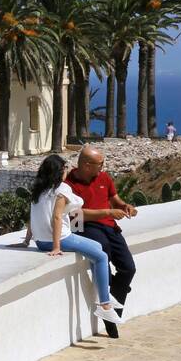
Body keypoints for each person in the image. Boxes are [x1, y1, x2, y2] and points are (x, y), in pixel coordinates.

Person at [21, 154, 123, 326]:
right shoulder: (61, 190)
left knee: (97, 246)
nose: (67, 171)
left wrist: (26, 241)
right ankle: (104, 305)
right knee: (102, 256)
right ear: (60, 171)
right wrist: (56, 246)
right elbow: (56, 218)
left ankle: (102, 291)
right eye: (65, 168)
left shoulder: (39, 190)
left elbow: (33, 217)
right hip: (60, 238)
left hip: (40, 241)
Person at [65, 144, 138, 338]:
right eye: (100, 164)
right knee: (102, 252)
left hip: (110, 227)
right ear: (87, 165)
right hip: (87, 226)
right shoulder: (69, 184)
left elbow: (114, 199)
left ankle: (111, 307)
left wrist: (124, 206)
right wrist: (107, 212)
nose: (103, 167)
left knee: (128, 268)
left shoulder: (103, 178)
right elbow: (75, 214)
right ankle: (111, 316)